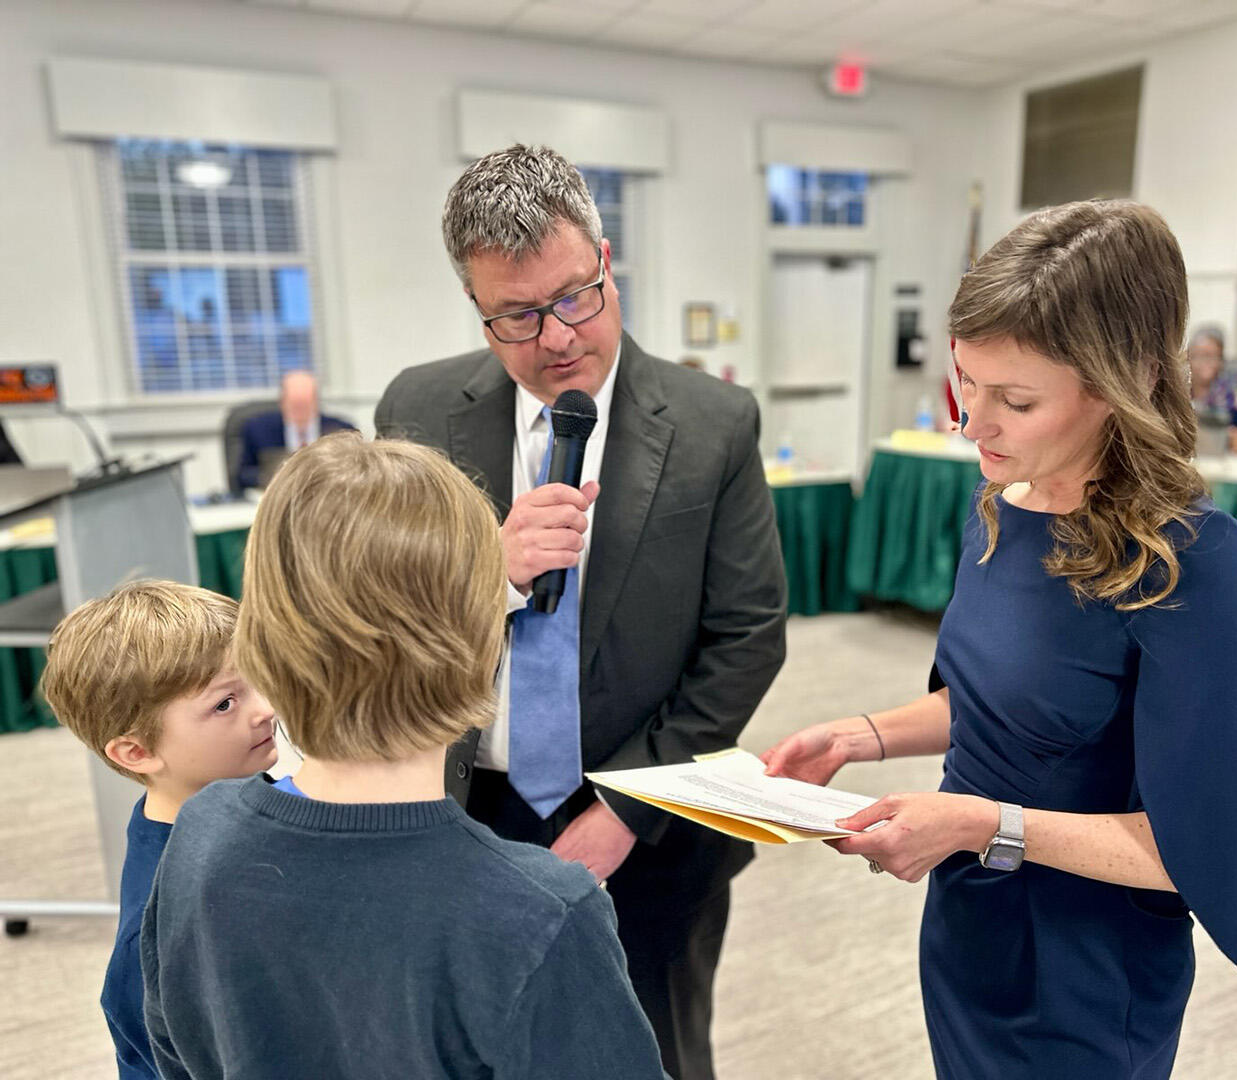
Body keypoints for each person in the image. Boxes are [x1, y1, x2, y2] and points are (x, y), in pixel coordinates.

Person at [763, 201, 1237, 1078]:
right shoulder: (1002, 507)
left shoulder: (1196, 570)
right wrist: (857, 736)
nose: (973, 424)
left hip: (1086, 969)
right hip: (972, 925)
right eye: (966, 383)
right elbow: (1002, 708)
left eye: (1016, 400)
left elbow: (1194, 854)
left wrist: (979, 822)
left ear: (1121, 385)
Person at [375, 143, 787, 1080]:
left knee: (656, 1051)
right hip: (460, 811)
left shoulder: (715, 422)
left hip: (652, 823)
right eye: (518, 315)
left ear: (606, 264)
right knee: (475, 1050)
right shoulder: (417, 410)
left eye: (575, 296)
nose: (557, 337)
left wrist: (625, 810)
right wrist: (490, 575)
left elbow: (747, 636)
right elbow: (379, 618)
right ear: (476, 307)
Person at [140, 434, 667, 1080]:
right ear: (483, 638)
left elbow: (175, 1047)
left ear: (264, 633)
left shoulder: (198, 835)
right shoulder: (541, 915)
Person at [38, 581, 279, 1080]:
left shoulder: (243, 794)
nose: (265, 710)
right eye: (225, 704)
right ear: (137, 752)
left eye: (257, 679)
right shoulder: (161, 936)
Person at [233, 370, 355, 490]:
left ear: (316, 403)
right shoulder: (258, 429)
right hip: (277, 494)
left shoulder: (342, 431)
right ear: (282, 403)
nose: (300, 413)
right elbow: (243, 475)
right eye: (295, 406)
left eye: (304, 405)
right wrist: (274, 478)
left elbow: (354, 471)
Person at [1186, 323, 1237, 451]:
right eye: (1198, 356)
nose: (1205, 363)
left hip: (1225, 457)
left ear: (1222, 360)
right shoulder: (1176, 390)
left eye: (1212, 356)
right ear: (1188, 358)